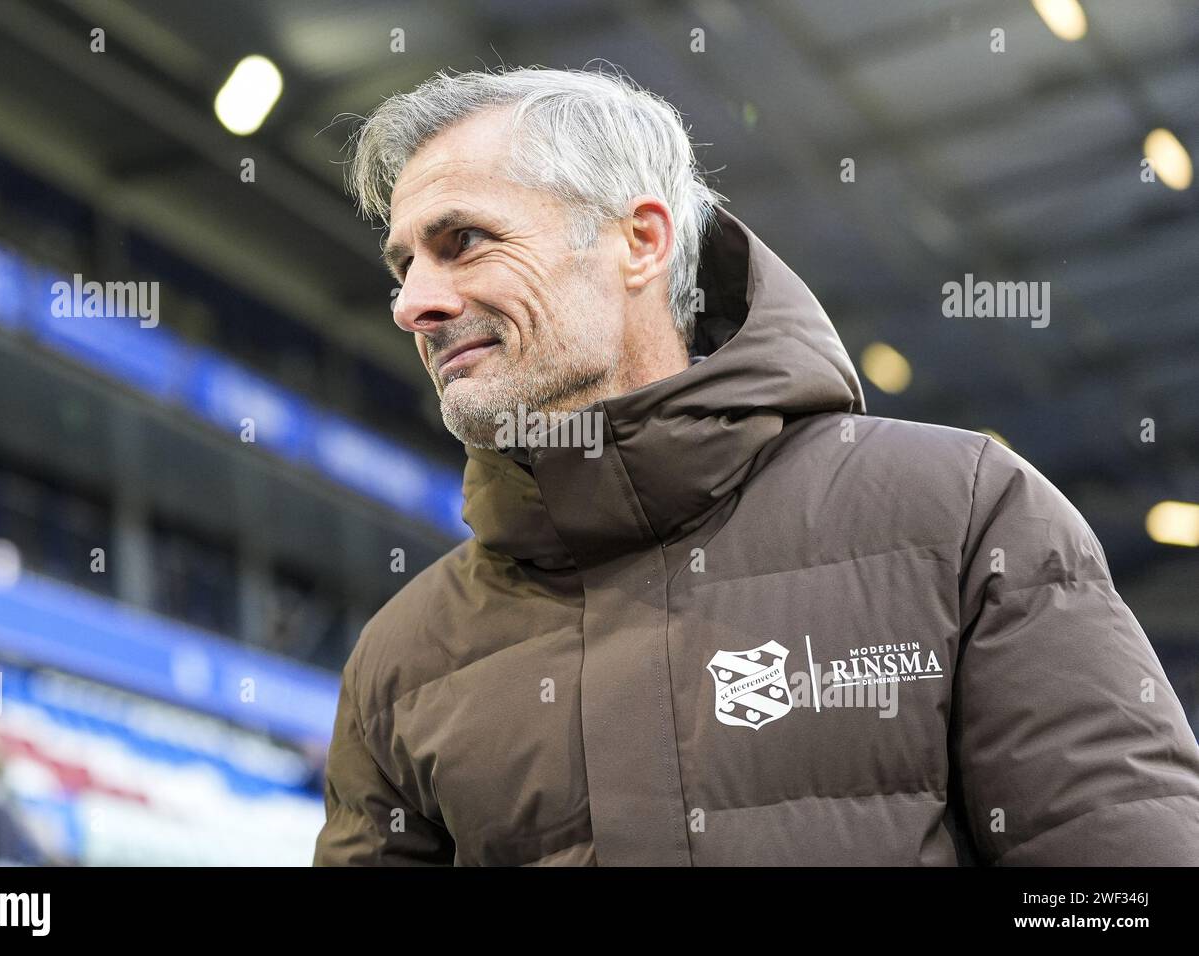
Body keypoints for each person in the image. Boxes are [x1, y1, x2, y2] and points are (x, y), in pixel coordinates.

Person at [313, 66, 1199, 866]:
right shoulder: (400, 659)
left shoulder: (961, 516)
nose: (413, 304)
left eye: (463, 240)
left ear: (640, 241)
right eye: (404, 265)